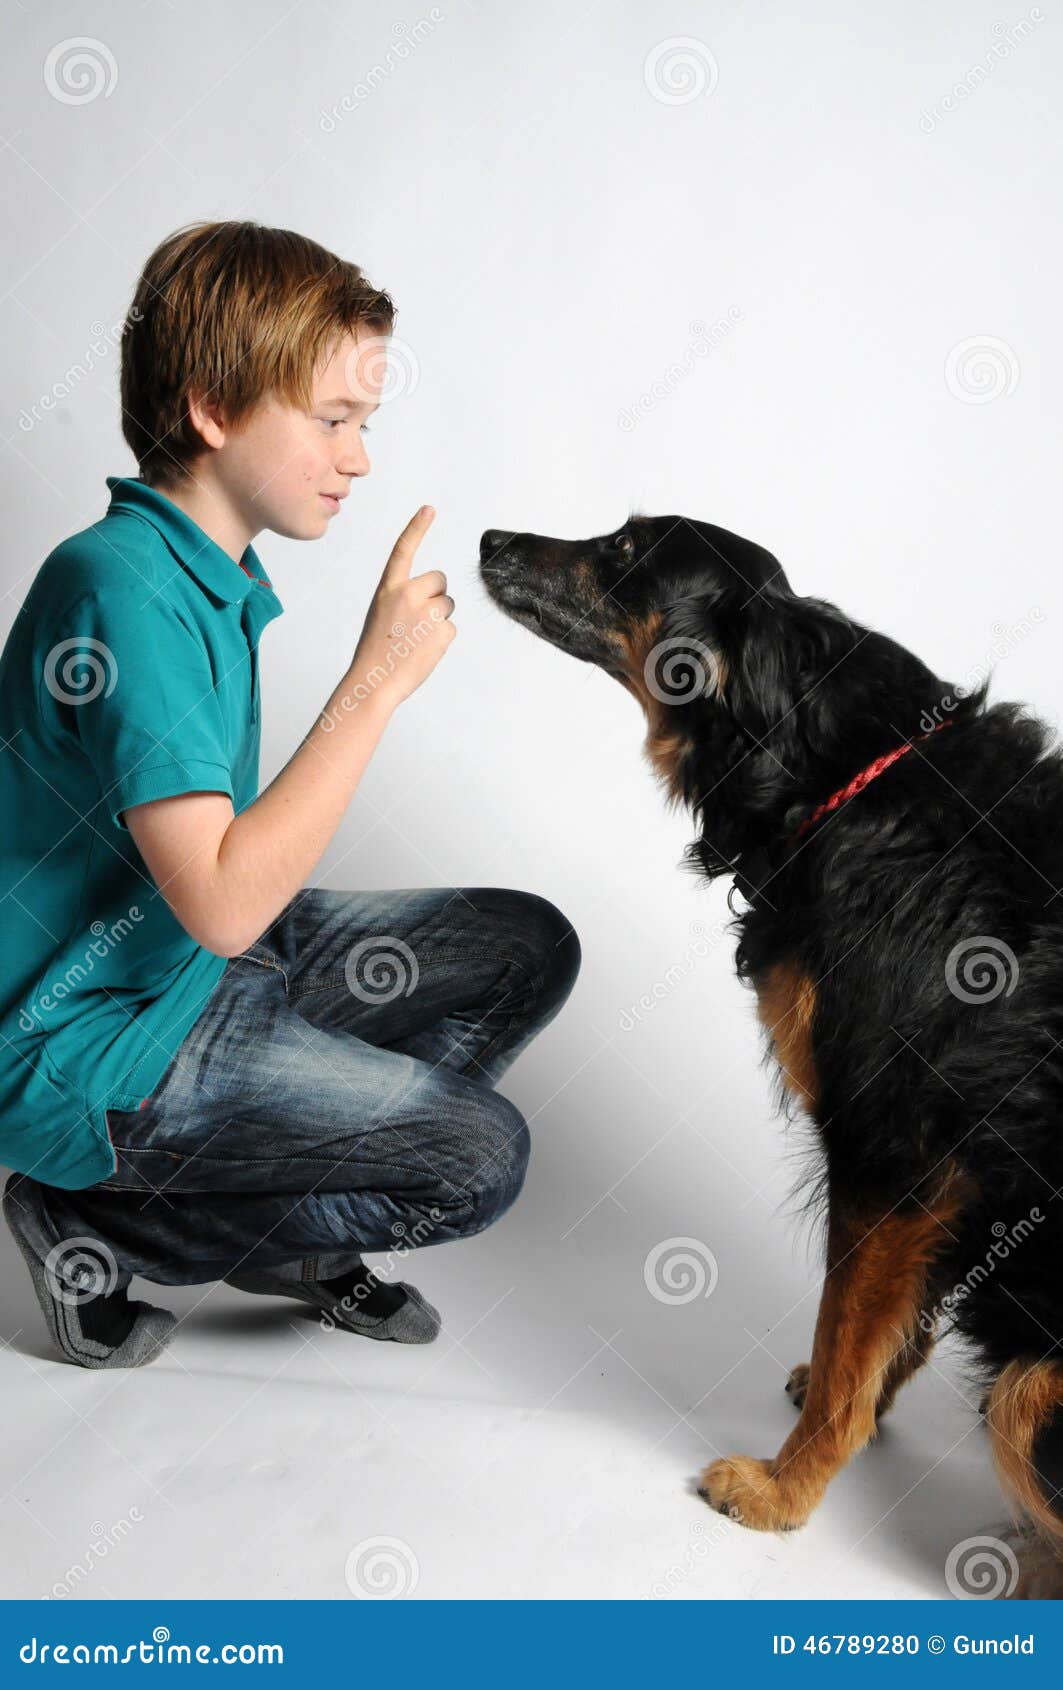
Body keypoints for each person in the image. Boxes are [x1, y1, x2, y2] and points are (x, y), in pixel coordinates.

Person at [0, 219, 581, 1369]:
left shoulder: (210, 571)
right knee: (478, 1161)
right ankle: (94, 1220)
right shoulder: (115, 589)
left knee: (527, 944)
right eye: (332, 420)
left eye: (362, 423)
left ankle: (285, 1222)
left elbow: (222, 904)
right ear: (215, 409)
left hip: (200, 962)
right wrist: (375, 683)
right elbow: (220, 899)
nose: (357, 457)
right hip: (102, 1047)